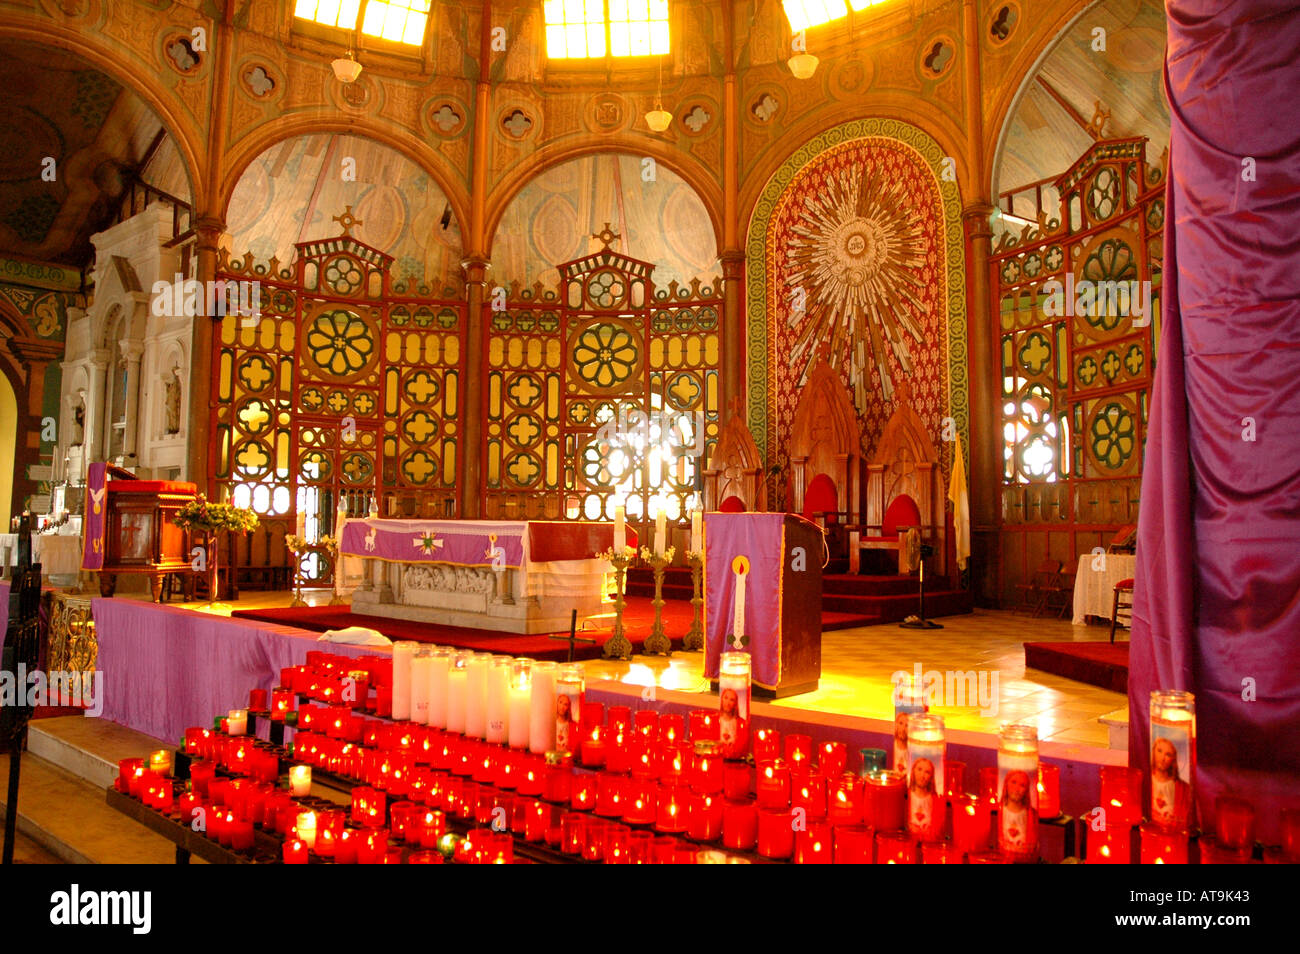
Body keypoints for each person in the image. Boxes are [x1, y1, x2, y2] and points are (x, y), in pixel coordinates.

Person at [1150, 737, 1191, 830]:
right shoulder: (1147, 780)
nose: (1162, 758)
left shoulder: (1182, 788)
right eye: (1159, 751)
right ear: (1153, 751)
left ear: (1173, 759)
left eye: (1168, 754)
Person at [999, 769, 1037, 856]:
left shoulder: (1029, 814)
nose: (1017, 789)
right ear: (1006, 784)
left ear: (1026, 790)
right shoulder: (1001, 811)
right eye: (1013, 782)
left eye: (1022, 785)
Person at [908, 757, 944, 841]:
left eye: (927, 772)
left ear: (931, 777)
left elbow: (938, 830)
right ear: (913, 771)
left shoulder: (935, 800)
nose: (922, 775)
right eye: (919, 769)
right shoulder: (906, 796)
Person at [718, 688, 743, 756]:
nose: (728, 703)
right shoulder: (715, 720)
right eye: (725, 698)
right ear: (721, 700)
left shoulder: (740, 723)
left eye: (731, 700)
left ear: (735, 704)